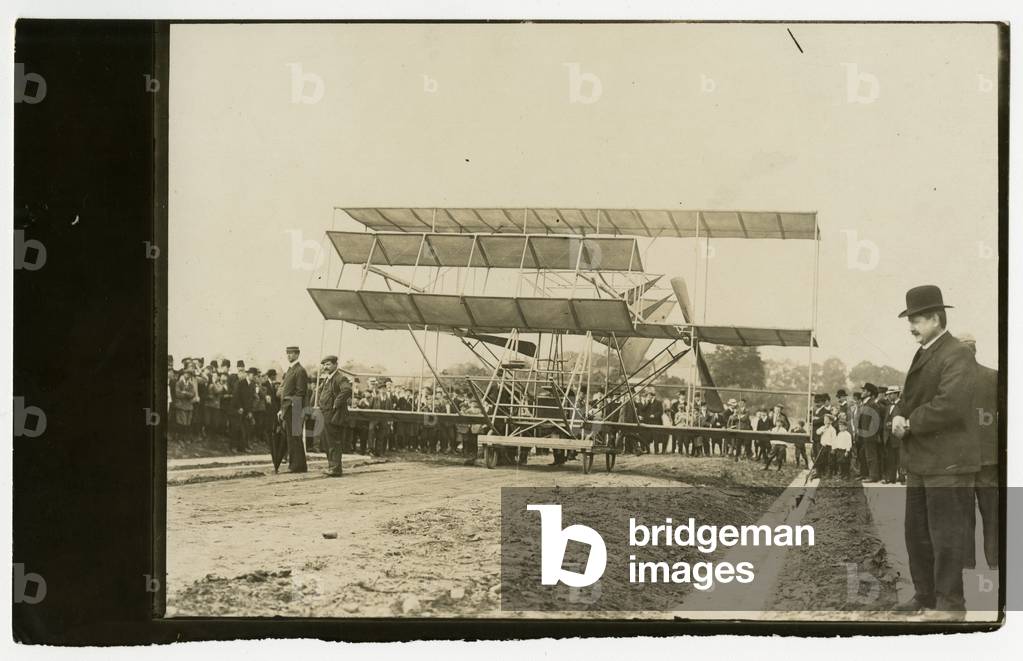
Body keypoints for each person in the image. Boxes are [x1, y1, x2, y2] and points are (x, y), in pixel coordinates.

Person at [890, 285, 977, 619]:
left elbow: (951, 405)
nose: (911, 326)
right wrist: (898, 412)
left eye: (917, 319)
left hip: (948, 464)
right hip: (923, 462)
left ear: (937, 318)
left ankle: (951, 605)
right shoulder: (925, 351)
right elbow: (909, 394)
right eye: (910, 319)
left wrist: (909, 423)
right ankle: (925, 596)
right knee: (918, 534)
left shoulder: (957, 353)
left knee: (946, 537)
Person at [961, 334, 998, 572]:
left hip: (961, 459)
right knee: (992, 512)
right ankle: (994, 561)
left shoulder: (949, 381)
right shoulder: (994, 377)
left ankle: (967, 562)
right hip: (989, 458)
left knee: (964, 514)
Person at [316, 355, 351, 477]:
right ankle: (332, 466)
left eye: (328, 364)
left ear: (336, 365)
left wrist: (336, 403)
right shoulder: (328, 379)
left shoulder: (339, 378)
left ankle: (335, 468)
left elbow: (347, 390)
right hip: (325, 414)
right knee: (327, 442)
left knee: (333, 442)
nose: (326, 367)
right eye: (324, 365)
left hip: (333, 415)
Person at [277, 345, 309, 473]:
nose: (289, 355)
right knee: (292, 437)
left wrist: (288, 405)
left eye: (291, 353)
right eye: (287, 353)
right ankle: (297, 464)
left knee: (295, 437)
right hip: (289, 408)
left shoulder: (300, 370)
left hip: (295, 408)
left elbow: (300, 392)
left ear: (297, 354)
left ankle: (297, 465)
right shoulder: (290, 370)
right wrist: (282, 408)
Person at [857, 382, 885, 483]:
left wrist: (872, 433)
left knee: (871, 455)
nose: (862, 392)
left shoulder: (872, 404)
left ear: (869, 393)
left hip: (870, 435)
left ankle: (874, 476)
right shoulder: (865, 403)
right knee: (863, 454)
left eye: (864, 391)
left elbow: (876, 420)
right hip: (864, 434)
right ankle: (865, 474)